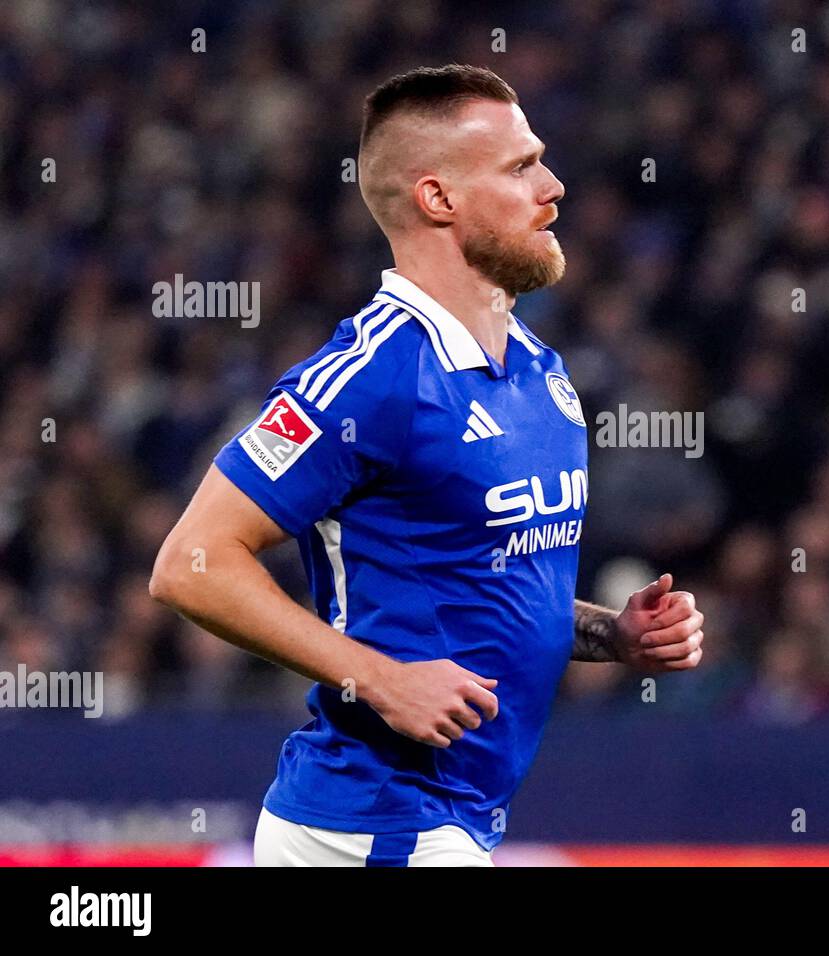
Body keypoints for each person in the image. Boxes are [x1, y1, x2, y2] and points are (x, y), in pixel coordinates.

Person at [149, 64, 705, 866]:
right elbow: (188, 566)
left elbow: (485, 579)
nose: (553, 187)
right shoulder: (368, 379)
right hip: (372, 821)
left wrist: (608, 636)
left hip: (447, 816)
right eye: (520, 168)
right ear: (437, 199)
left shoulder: (539, 371)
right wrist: (377, 677)